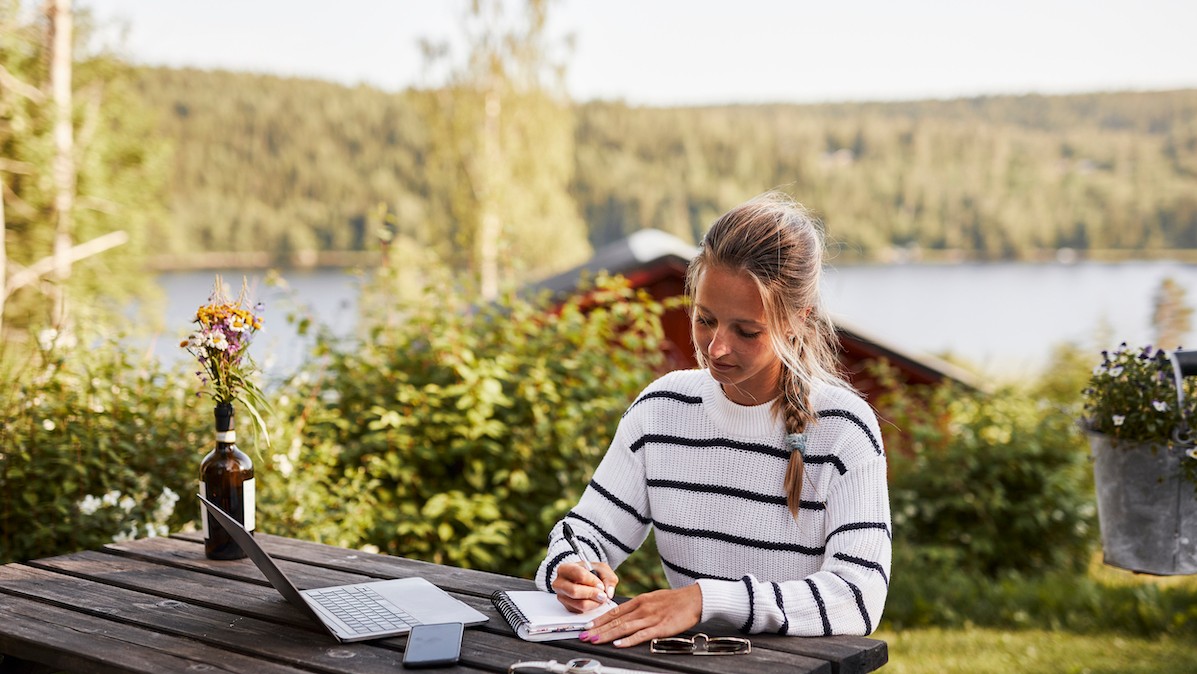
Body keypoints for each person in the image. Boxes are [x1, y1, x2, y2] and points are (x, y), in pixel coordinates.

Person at [534, 191, 891, 647]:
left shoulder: (844, 430)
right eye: (705, 320)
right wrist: (571, 571)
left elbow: (859, 596)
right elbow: (582, 534)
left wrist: (706, 600)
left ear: (797, 321)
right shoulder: (661, 411)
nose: (716, 348)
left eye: (746, 331)